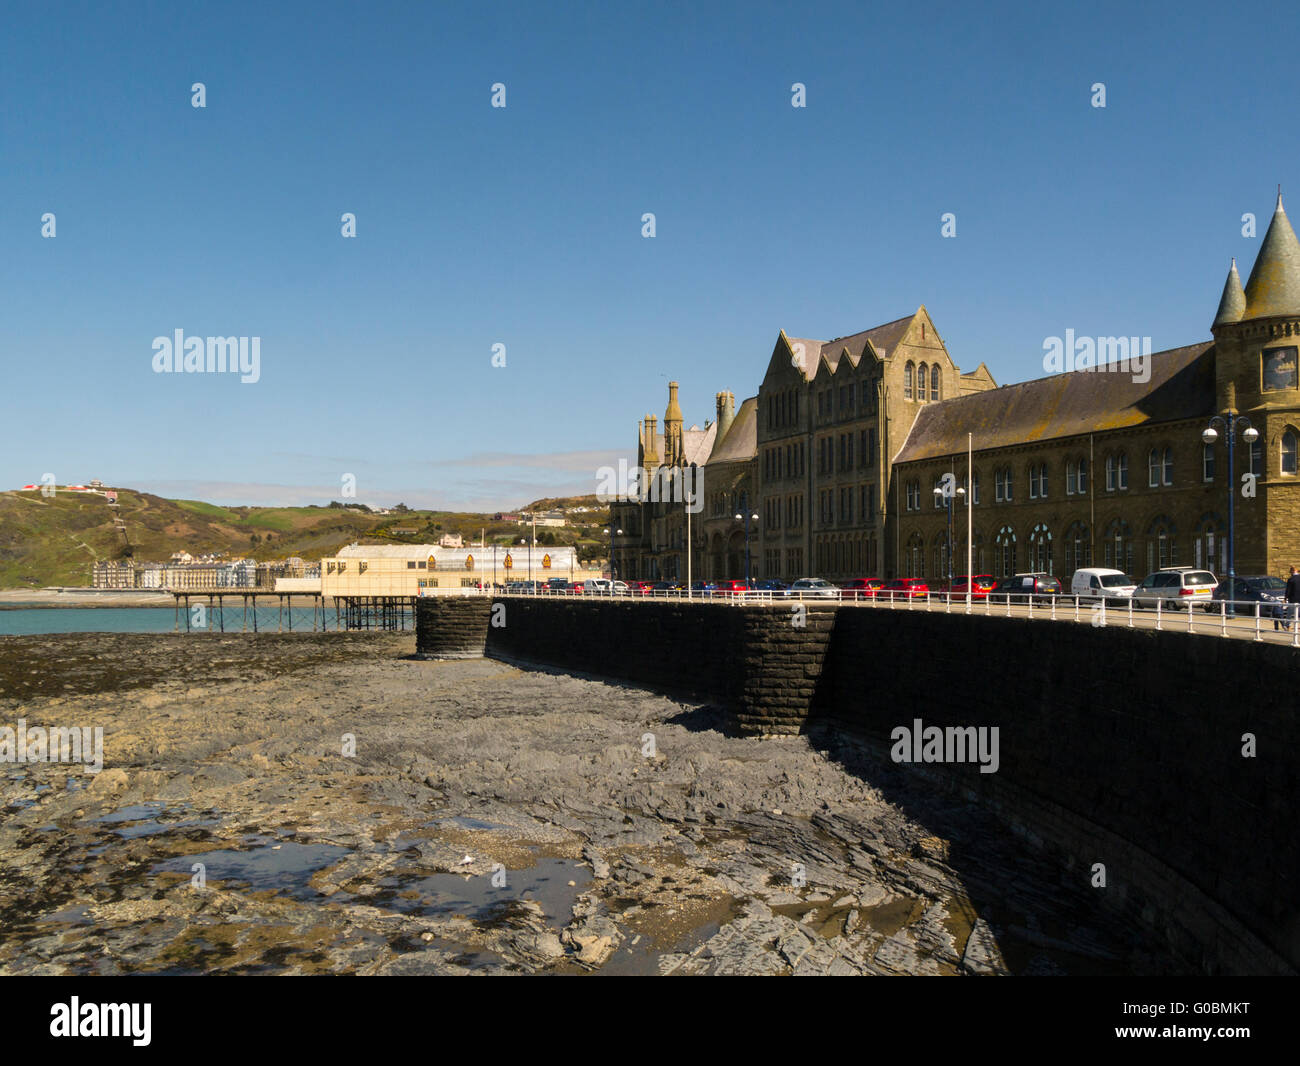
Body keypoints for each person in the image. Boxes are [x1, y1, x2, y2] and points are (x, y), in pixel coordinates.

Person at [1285, 566, 1300, 632]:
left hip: (1293, 599)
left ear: (1292, 571)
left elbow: (1288, 590)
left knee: (1290, 613)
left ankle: (1288, 625)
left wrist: (1285, 598)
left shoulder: (1291, 579)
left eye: (1290, 571)